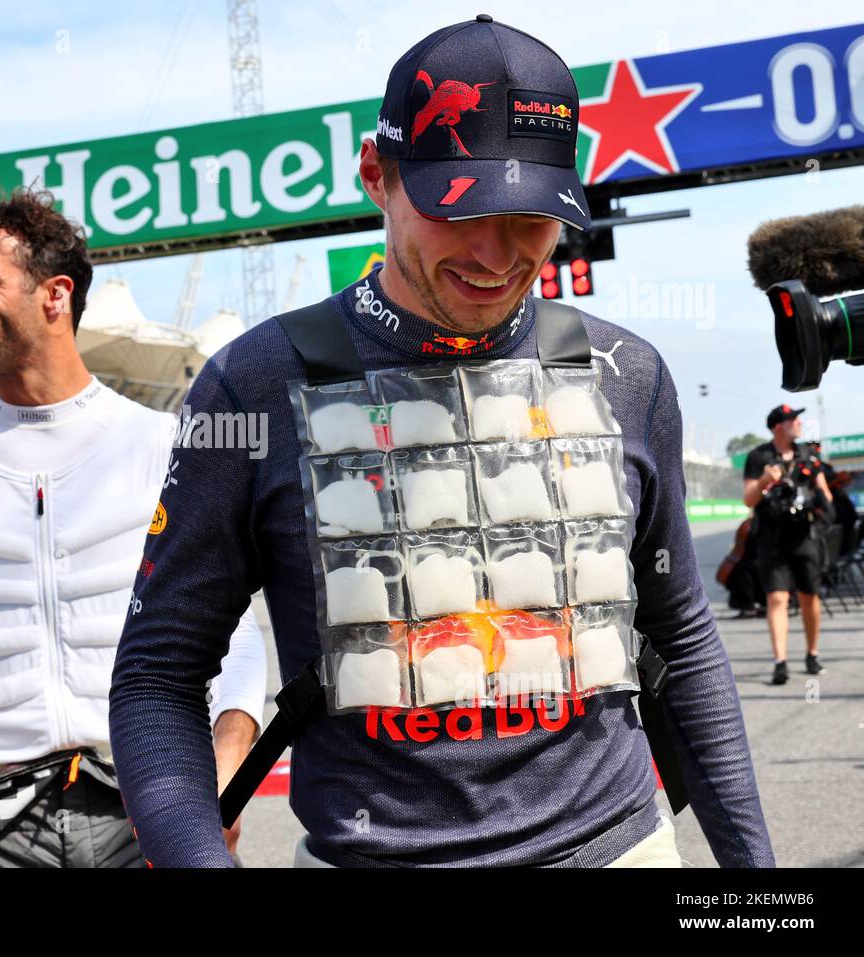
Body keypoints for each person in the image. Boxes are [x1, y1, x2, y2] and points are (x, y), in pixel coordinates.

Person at [110, 16, 774, 868]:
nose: (498, 253)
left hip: (621, 849)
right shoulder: (255, 384)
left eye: (534, 217)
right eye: (458, 211)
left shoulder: (626, 374)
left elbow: (682, 634)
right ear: (376, 177)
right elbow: (158, 673)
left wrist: (758, 886)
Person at [0, 191, 266, 868]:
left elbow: (235, 635)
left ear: (54, 295)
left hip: (147, 800)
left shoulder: (163, 444)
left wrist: (227, 764)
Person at [742, 405, 835, 683]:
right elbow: (748, 498)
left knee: (809, 597)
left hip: (805, 535)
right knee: (777, 597)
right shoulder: (759, 456)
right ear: (778, 426)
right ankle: (780, 661)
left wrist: (817, 501)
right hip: (772, 537)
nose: (799, 422)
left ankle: (812, 653)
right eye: (793, 419)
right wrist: (764, 481)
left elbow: (825, 493)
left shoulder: (808, 455)